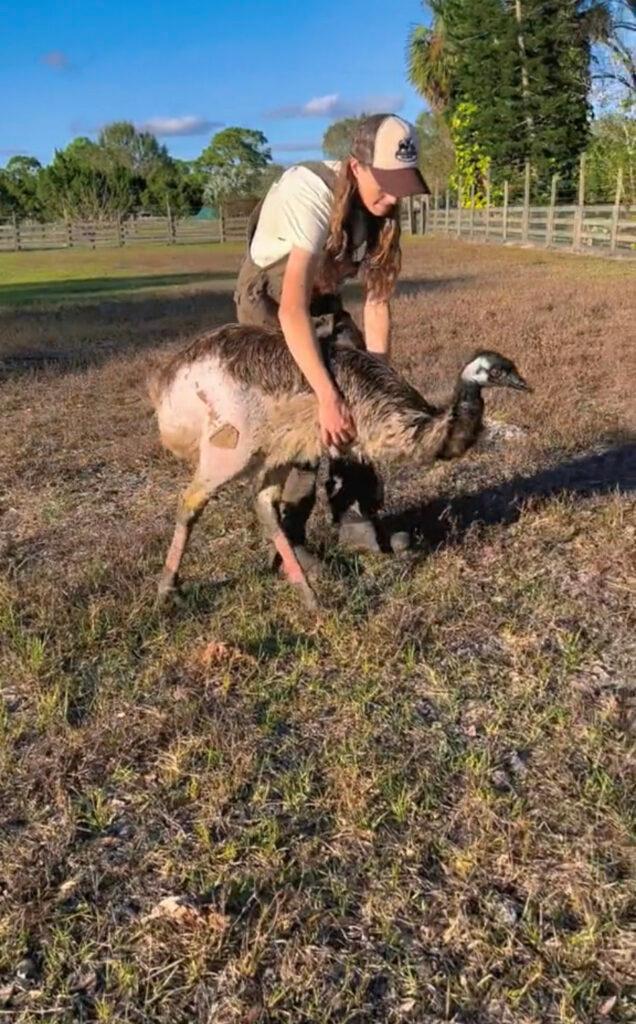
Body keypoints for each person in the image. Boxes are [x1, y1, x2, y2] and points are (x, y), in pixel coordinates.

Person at [233, 113, 429, 566]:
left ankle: (356, 517)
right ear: (356, 167)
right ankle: (288, 538)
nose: (392, 195)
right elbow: (291, 310)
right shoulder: (311, 192)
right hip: (270, 299)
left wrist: (375, 384)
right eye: (384, 182)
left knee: (359, 397)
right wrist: (325, 394)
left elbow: (377, 303)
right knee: (304, 409)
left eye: (401, 183)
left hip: (321, 299)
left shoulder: (384, 214)